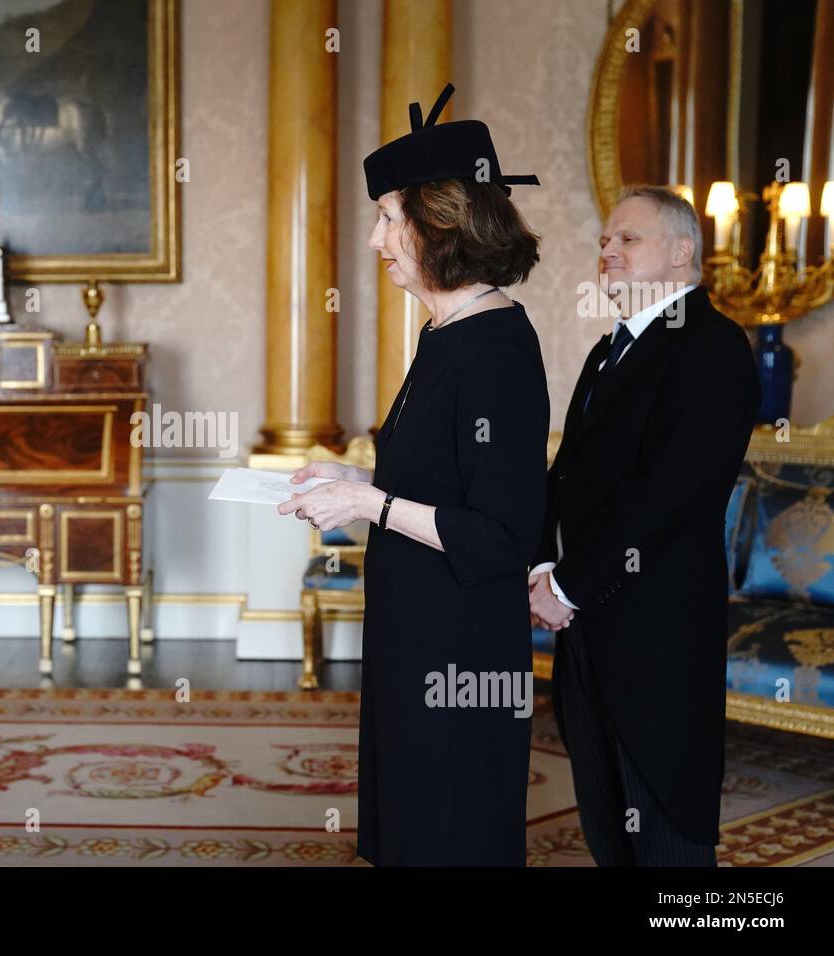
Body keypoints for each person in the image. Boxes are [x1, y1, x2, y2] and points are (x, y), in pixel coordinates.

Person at [280, 84, 548, 865]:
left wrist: (367, 499)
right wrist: (352, 473)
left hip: (460, 650)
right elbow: (438, 478)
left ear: (440, 225)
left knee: (448, 828)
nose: (375, 240)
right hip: (416, 629)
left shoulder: (494, 348)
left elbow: (499, 535)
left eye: (388, 217)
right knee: (408, 823)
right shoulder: (447, 334)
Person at [529, 185, 759, 866]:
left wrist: (567, 585)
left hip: (657, 636)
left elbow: (668, 495)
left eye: (627, 239)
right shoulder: (610, 350)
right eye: (604, 240)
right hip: (589, 632)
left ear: (682, 253)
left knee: (667, 842)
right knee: (607, 831)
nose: (608, 250)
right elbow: (563, 475)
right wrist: (543, 565)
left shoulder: (713, 348)